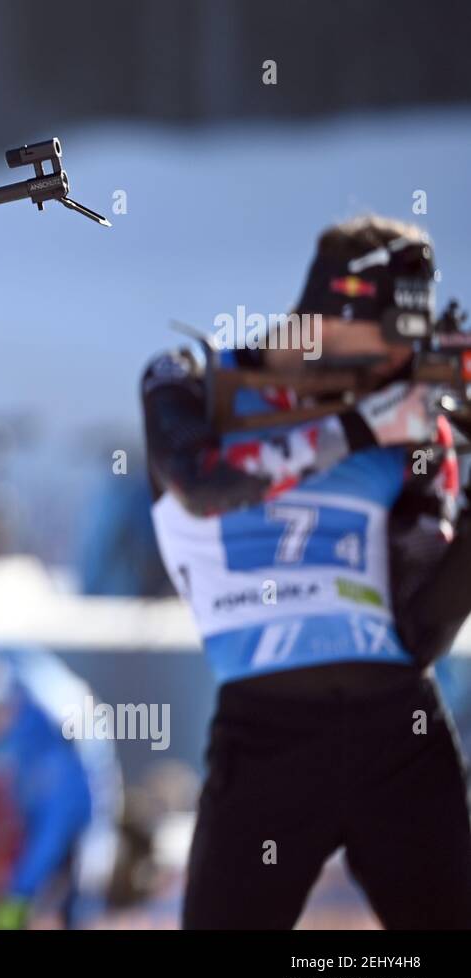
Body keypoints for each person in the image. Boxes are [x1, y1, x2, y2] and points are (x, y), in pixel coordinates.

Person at [143, 215, 471, 928]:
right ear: (330, 316)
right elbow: (205, 485)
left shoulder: (410, 416)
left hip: (401, 730)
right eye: (391, 334)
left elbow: (423, 628)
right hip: (265, 736)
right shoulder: (193, 381)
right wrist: (361, 428)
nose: (400, 357)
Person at [0, 652, 120, 929]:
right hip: (62, 858)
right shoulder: (24, 706)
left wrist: (18, 893)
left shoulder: (49, 732)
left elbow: (56, 825)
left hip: (74, 860)